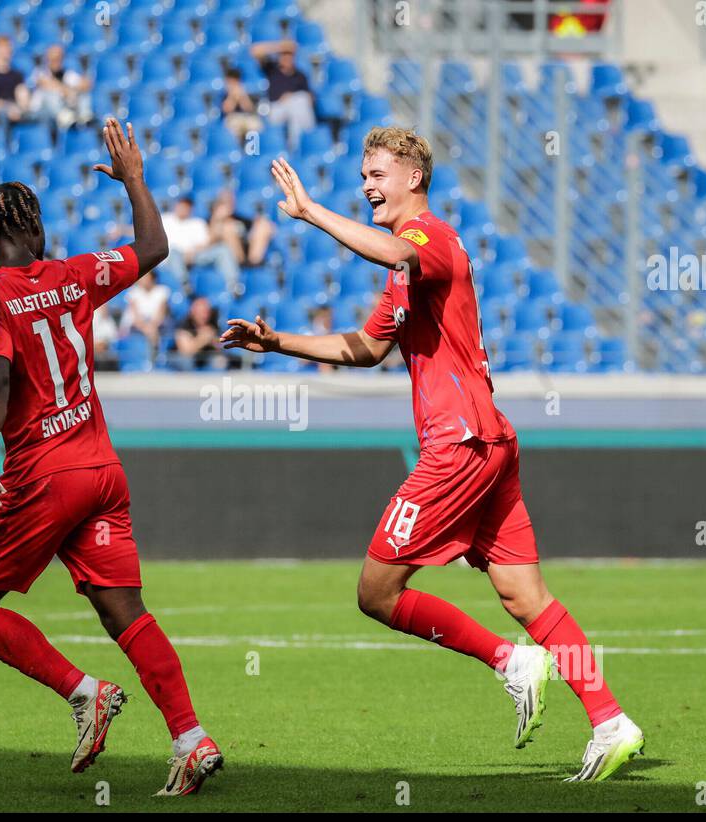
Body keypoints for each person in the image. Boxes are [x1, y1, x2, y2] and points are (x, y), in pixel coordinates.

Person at [221, 126, 644, 782]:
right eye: (363, 175)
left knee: (376, 592)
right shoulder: (404, 273)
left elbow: (397, 251)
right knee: (526, 595)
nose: (366, 185)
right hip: (491, 442)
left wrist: (310, 214)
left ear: (413, 178)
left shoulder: (429, 241)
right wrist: (278, 344)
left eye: (377, 174)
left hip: (458, 448)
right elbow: (364, 349)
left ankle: (510, 662)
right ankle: (611, 720)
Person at [0, 118, 223, 795]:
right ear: (37, 228)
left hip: (43, 476)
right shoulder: (77, 276)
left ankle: (83, 693)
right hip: (103, 470)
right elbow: (154, 245)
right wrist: (133, 178)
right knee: (123, 611)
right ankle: (191, 738)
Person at [160, 196, 239, 290]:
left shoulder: (198, 223)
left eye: (186, 206)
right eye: (181, 205)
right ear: (176, 205)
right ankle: (185, 284)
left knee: (223, 249)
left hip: (195, 256)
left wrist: (193, 252)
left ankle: (234, 284)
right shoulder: (164, 219)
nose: (183, 209)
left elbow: (206, 243)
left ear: (191, 209)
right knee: (173, 252)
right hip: (171, 257)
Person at [250, 39, 316, 150]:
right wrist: (280, 47)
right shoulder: (272, 70)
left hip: (295, 110)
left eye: (289, 54)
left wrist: (291, 97)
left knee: (298, 104)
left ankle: (296, 146)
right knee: (299, 102)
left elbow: (310, 99)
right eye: (283, 55)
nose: (286, 58)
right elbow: (254, 51)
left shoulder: (300, 75)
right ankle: (307, 140)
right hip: (275, 109)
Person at [27, 44, 91, 129]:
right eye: (53, 59)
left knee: (83, 94)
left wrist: (74, 90)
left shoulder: (66, 74)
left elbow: (86, 84)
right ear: (47, 59)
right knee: (50, 95)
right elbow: (46, 83)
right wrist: (66, 90)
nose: (56, 61)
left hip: (64, 108)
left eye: (59, 58)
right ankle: (66, 117)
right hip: (40, 112)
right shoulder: (39, 72)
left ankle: (85, 118)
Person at [119, 268, 169, 356]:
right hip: (135, 327)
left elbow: (161, 314)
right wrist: (147, 329)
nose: (142, 279)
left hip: (155, 327)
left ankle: (155, 357)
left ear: (152, 278)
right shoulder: (133, 291)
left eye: (146, 276)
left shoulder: (162, 290)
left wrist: (151, 327)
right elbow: (135, 316)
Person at [0, 36, 29, 123]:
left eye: (9, 47)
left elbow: (23, 97)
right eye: (4, 47)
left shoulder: (17, 75)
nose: (8, 50)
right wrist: (4, 106)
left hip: (14, 108)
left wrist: (21, 107)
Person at [173, 294, 222, 369]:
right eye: (201, 312)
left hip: (207, 358)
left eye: (207, 312)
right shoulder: (184, 325)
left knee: (220, 361)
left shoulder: (213, 324)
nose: (205, 316)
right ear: (193, 312)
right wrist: (202, 339)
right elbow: (186, 351)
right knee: (186, 361)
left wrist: (214, 342)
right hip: (187, 360)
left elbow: (221, 346)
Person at [220, 67, 263, 142]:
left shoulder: (244, 91)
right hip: (232, 118)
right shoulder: (224, 94)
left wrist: (242, 96)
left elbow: (248, 108)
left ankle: (253, 151)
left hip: (245, 116)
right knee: (232, 128)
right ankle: (235, 150)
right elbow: (227, 110)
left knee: (256, 126)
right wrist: (232, 97)